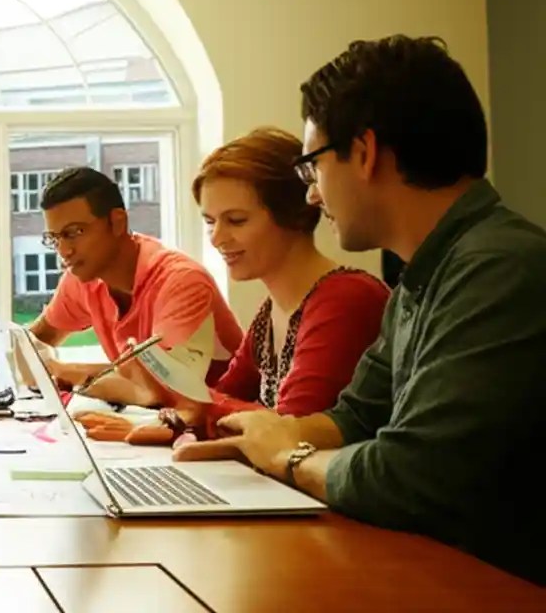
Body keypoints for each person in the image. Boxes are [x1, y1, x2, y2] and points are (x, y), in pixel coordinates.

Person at [175, 35, 546, 585]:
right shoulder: (421, 276)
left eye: (314, 167)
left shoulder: (498, 268)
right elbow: (354, 416)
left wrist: (287, 457)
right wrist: (258, 440)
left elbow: (409, 475)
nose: (312, 196)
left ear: (365, 153)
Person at [79, 128, 389, 444]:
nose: (216, 238)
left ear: (294, 214)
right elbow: (219, 399)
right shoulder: (271, 311)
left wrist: (189, 412)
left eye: (236, 220)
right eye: (211, 222)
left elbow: (288, 430)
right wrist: (179, 420)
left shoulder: (344, 300)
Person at [27, 167, 243, 399]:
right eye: (54, 238)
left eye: (75, 232)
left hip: (223, 423)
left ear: (117, 221)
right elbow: (34, 339)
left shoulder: (182, 282)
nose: (64, 251)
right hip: (160, 422)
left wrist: (61, 371)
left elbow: (160, 384)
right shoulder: (83, 276)